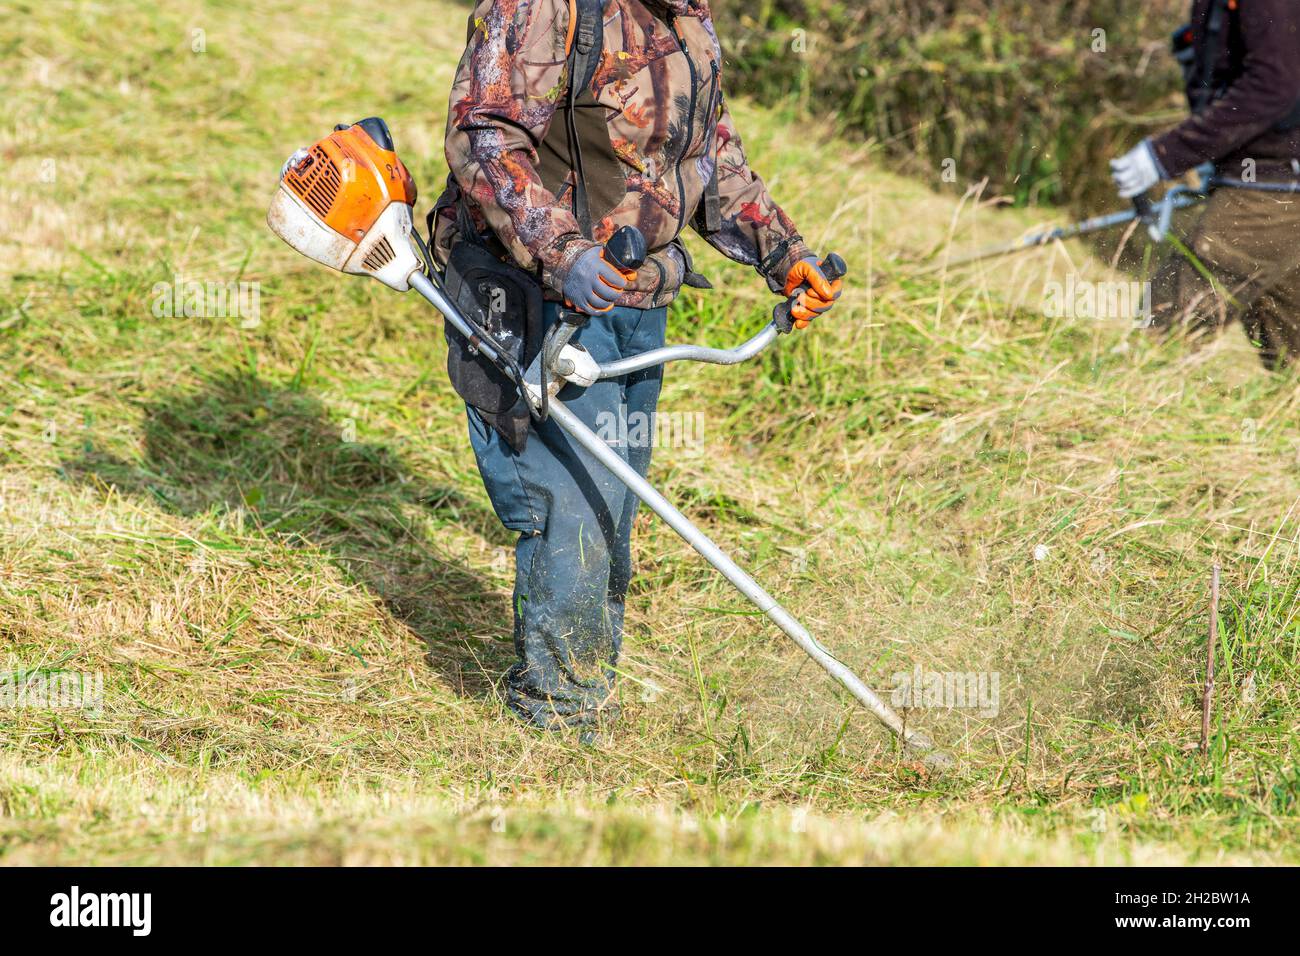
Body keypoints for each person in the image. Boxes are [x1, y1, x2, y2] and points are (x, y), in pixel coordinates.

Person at [433, 0, 842, 736]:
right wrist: (564, 252)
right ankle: (558, 726)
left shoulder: (688, 17)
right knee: (574, 511)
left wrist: (785, 254)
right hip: (535, 293)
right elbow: (482, 137)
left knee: (613, 513)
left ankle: (582, 695)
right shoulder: (545, 8)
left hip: (636, 297)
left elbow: (707, 153)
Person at [1110, 0, 1300, 367]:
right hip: (1267, 178)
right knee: (1293, 362)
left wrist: (1166, 155)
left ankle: (1104, 415)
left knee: (1161, 334)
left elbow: (1275, 84)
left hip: (1276, 183)